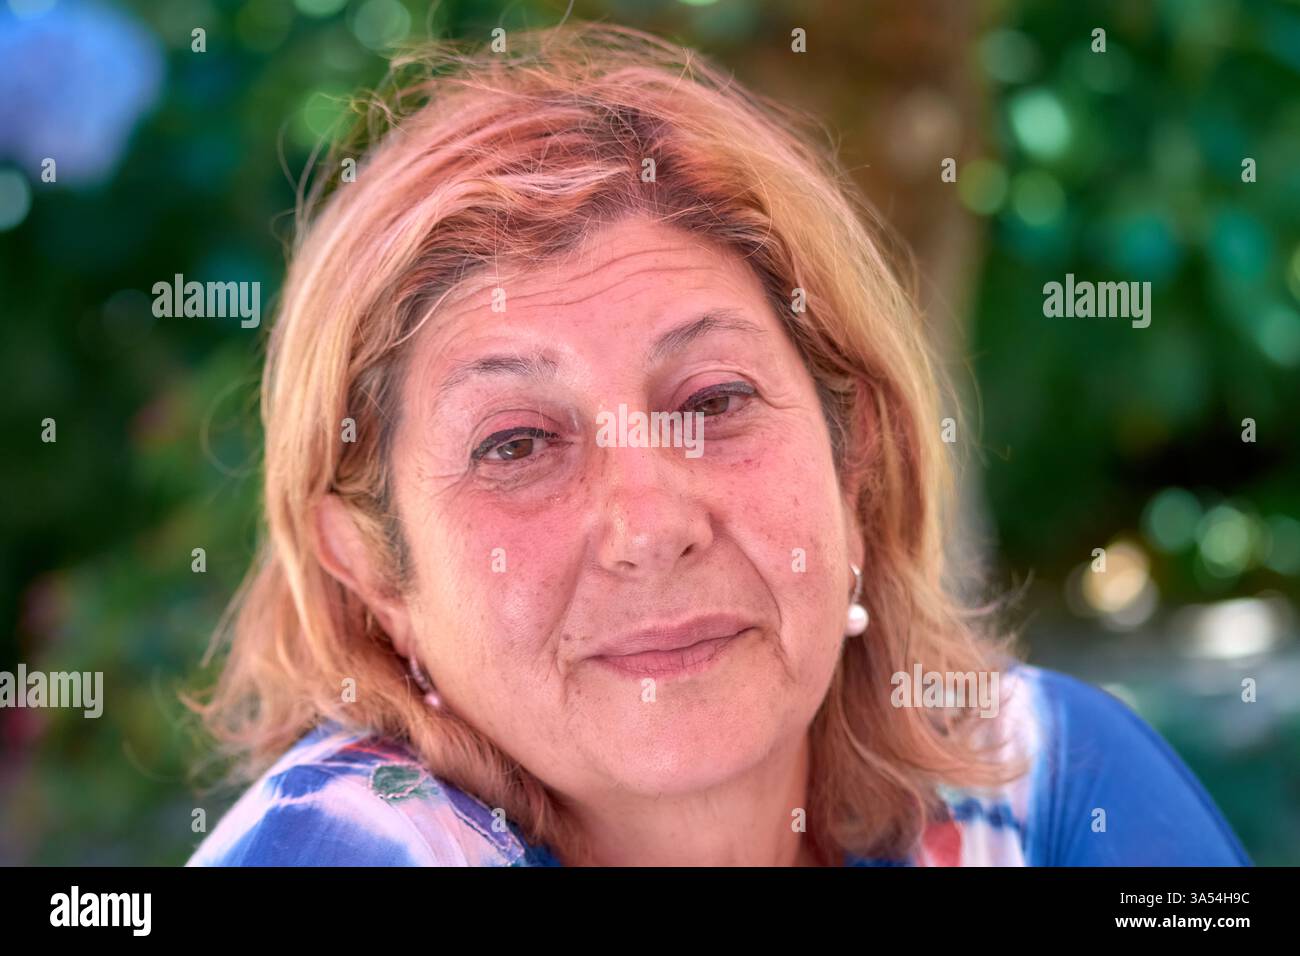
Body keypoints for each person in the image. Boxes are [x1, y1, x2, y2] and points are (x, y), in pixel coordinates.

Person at [185, 22, 1249, 868]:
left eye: (710, 400)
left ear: (856, 455)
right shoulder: (341, 845)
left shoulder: (1045, 782)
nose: (648, 526)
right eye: (516, 442)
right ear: (371, 562)